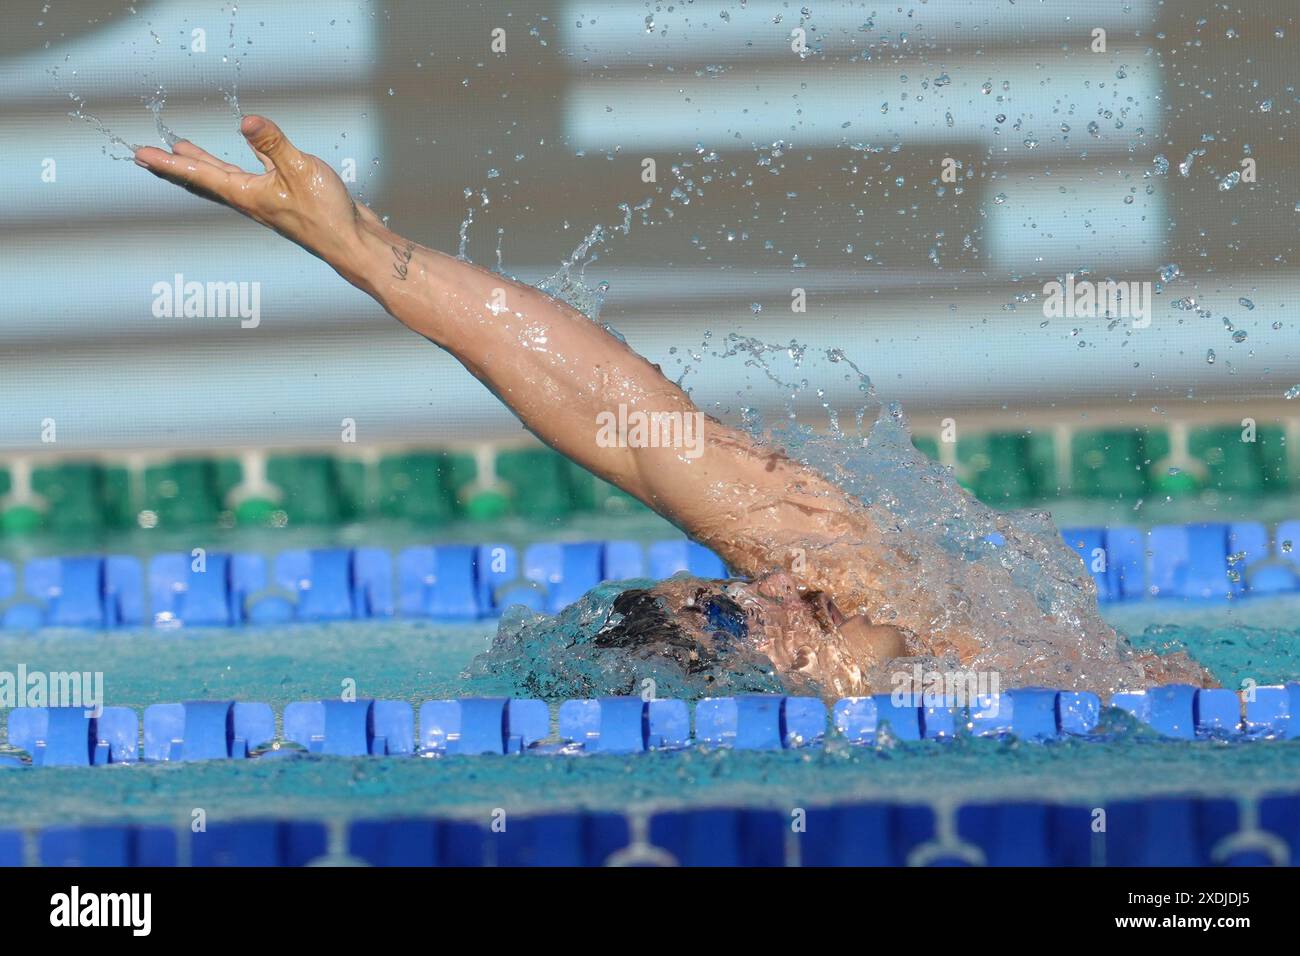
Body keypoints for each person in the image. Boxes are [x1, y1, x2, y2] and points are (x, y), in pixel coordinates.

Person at [134, 116, 1214, 699]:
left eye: (727, 583)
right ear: (767, 683)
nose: (769, 586)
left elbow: (617, 416)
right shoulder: (912, 683)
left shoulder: (849, 576)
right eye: (738, 617)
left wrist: (362, 250)